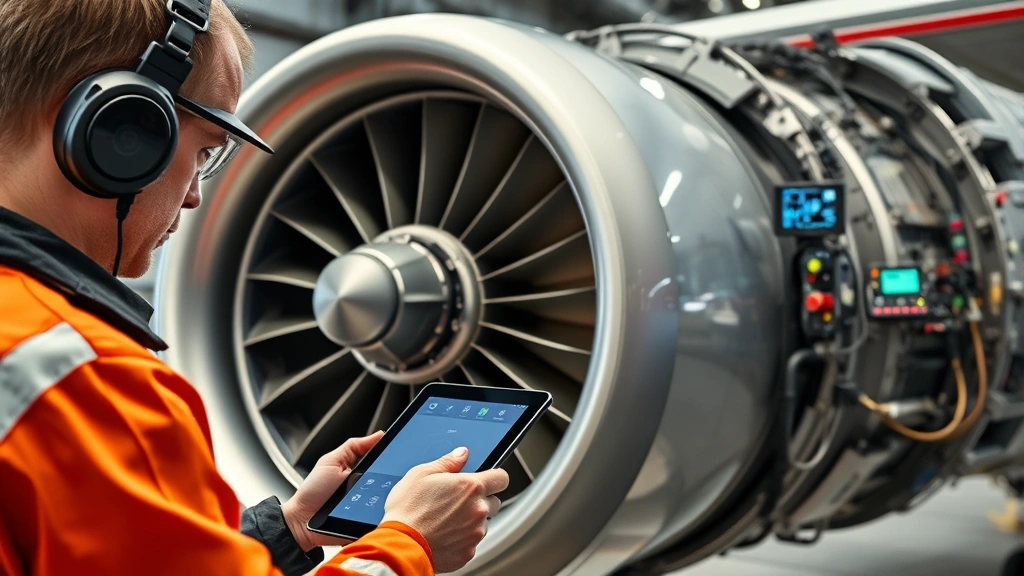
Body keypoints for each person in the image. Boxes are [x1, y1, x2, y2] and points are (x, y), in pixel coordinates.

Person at [0, 1, 509, 575]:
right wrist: (407, 545)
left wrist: (287, 532)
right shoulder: (80, 380)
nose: (193, 195)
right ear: (121, 132)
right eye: (203, 151)